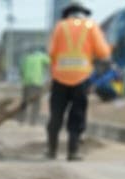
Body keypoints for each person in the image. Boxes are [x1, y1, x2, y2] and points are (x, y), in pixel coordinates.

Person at [47, 2, 111, 161]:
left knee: (56, 114)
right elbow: (103, 52)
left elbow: (51, 52)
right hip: (81, 79)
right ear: (84, 14)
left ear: (67, 14)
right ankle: (72, 151)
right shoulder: (91, 26)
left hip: (60, 78)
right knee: (77, 114)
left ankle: (51, 150)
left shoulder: (60, 26)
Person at [19, 47, 51, 125]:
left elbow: (21, 71)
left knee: (25, 101)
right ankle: (33, 121)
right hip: (36, 83)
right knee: (36, 103)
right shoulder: (41, 57)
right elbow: (50, 63)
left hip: (26, 83)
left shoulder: (26, 58)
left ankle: (22, 119)